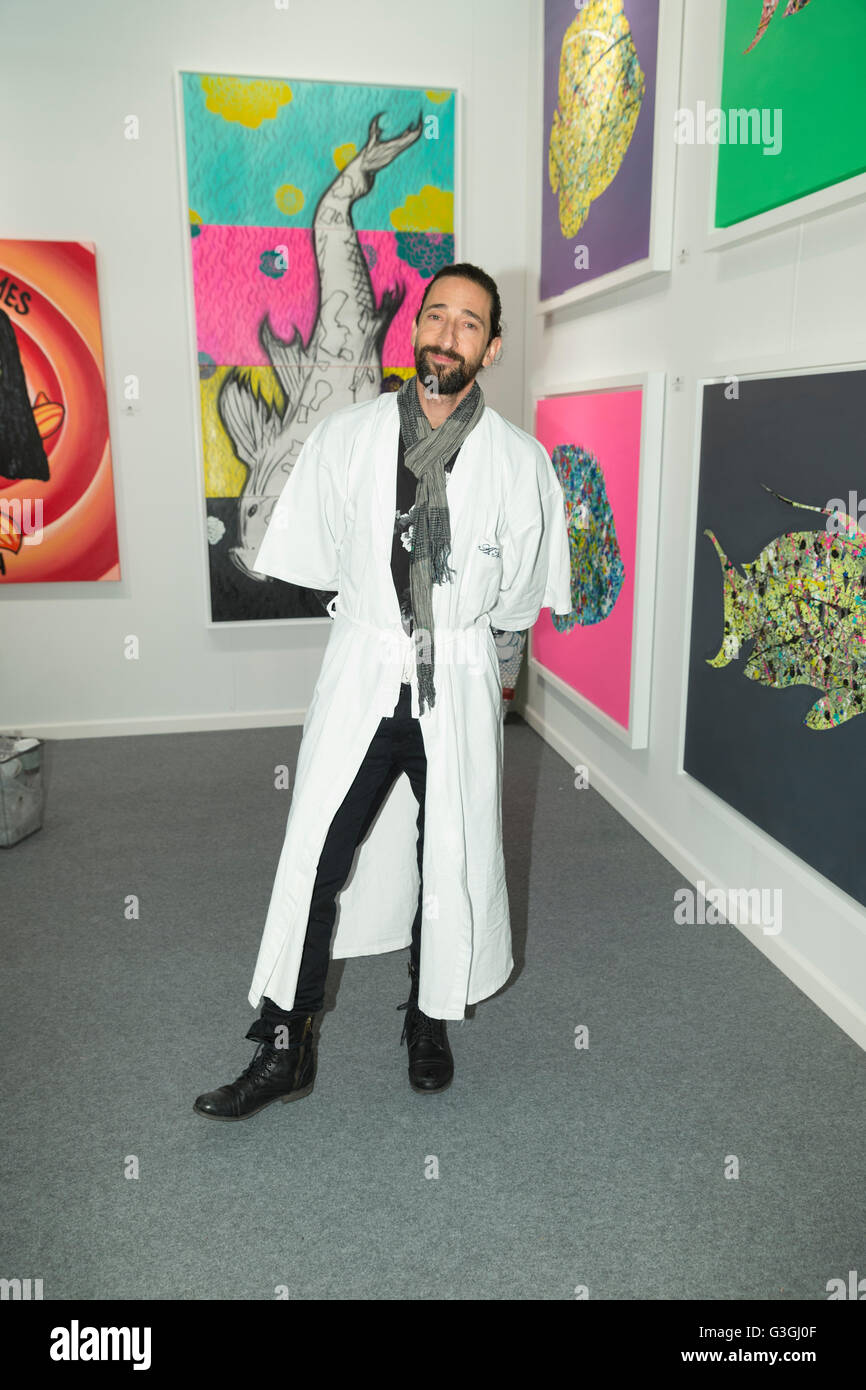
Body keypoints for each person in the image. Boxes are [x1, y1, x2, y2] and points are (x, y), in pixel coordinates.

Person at [194, 262, 572, 1121]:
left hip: (461, 685)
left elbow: (516, 601)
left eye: (468, 323)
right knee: (315, 858)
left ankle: (430, 1018)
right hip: (365, 676)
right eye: (435, 315)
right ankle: (283, 1046)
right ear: (416, 330)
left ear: (494, 345)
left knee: (451, 858)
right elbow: (319, 555)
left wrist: (477, 663)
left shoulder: (519, 464)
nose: (446, 333)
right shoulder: (348, 438)